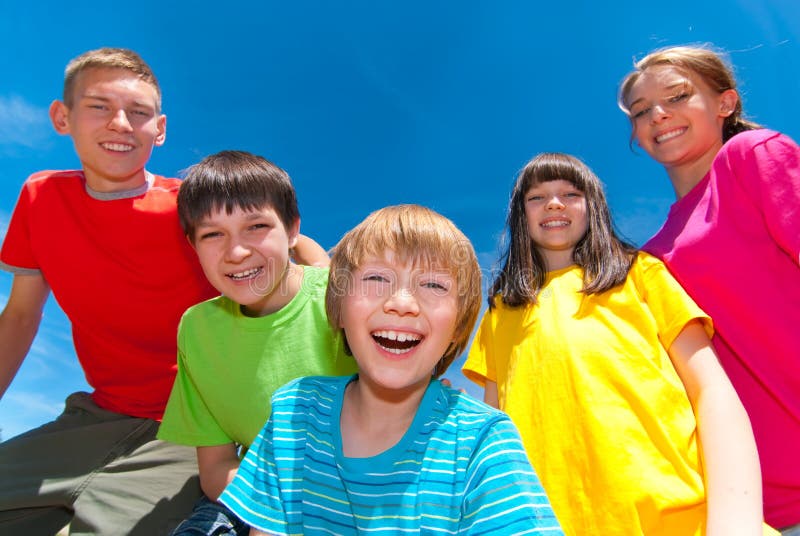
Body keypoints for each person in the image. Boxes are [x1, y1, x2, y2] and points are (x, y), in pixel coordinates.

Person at [462, 153, 773, 535]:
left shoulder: (642, 275)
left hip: (680, 521)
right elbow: (496, 432)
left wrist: (734, 522)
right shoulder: (500, 312)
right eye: (536, 197)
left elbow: (711, 389)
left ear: (594, 207)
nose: (554, 203)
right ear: (519, 215)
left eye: (570, 193)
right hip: (548, 524)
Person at [218, 204, 563, 535]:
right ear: (338, 307)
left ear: (459, 324)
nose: (401, 303)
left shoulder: (482, 441)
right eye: (377, 278)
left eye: (433, 285)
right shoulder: (294, 412)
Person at [0, 48, 219, 535]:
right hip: (95, 416)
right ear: (63, 117)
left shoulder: (190, 206)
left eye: (138, 113)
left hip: (193, 426)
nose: (120, 123)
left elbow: (285, 247)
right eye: (99, 106)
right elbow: (19, 317)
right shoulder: (40, 198)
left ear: (159, 129)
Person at [618, 45, 800, 535]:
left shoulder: (752, 156)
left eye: (678, 96)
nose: (658, 114)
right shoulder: (649, 257)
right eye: (641, 111)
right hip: (752, 507)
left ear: (725, 103)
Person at [157, 150, 358, 535]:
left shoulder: (342, 302)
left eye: (256, 226)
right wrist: (274, 513)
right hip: (252, 492)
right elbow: (216, 467)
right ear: (192, 244)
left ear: (293, 229)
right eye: (213, 234)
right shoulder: (197, 330)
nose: (236, 252)